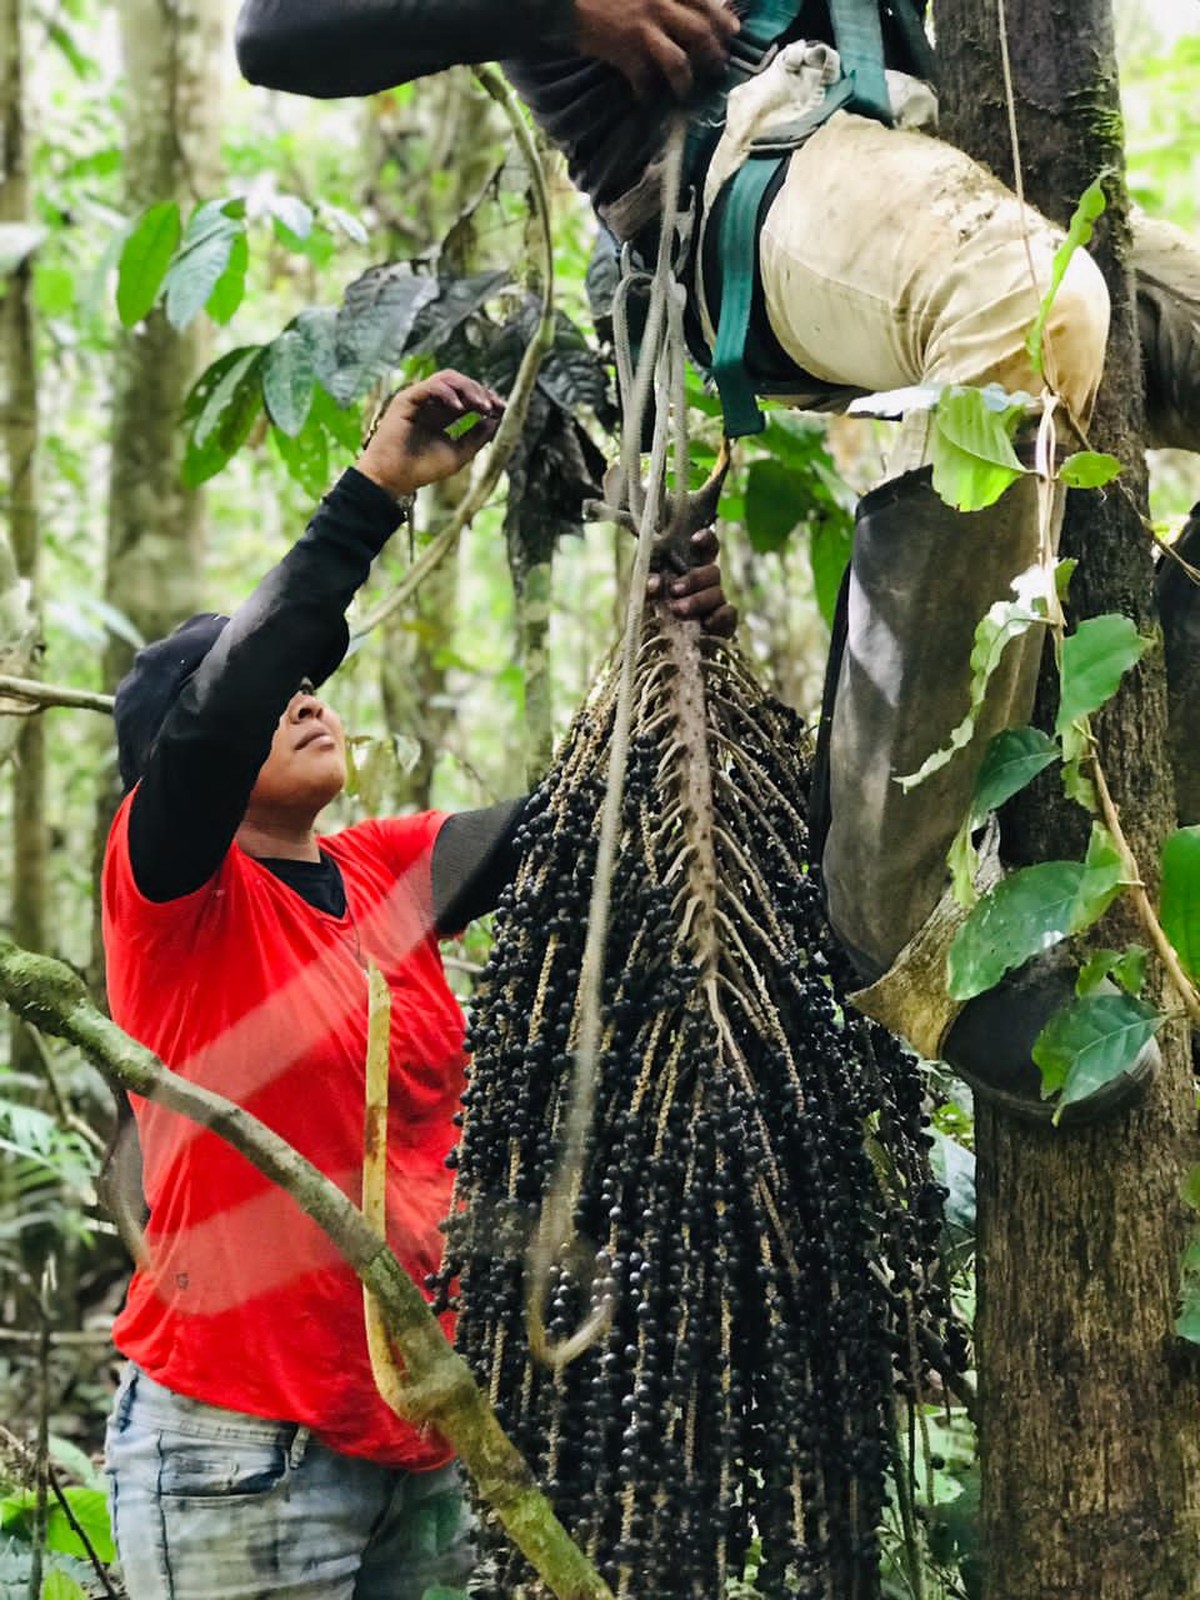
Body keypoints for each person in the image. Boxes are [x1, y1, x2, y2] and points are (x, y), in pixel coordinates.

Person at [232, 0, 1200, 1122]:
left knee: (1033, 291)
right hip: (741, 154)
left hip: (931, 142)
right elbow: (276, 32)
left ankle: (1153, 731)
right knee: (1020, 302)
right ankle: (900, 916)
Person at [101, 369, 737, 1600]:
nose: (301, 692)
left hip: (421, 1438)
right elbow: (234, 695)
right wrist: (374, 494)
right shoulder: (169, 894)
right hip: (239, 1448)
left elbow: (589, 812)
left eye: (306, 679)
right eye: (255, 685)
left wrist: (681, 643)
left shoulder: (382, 873)